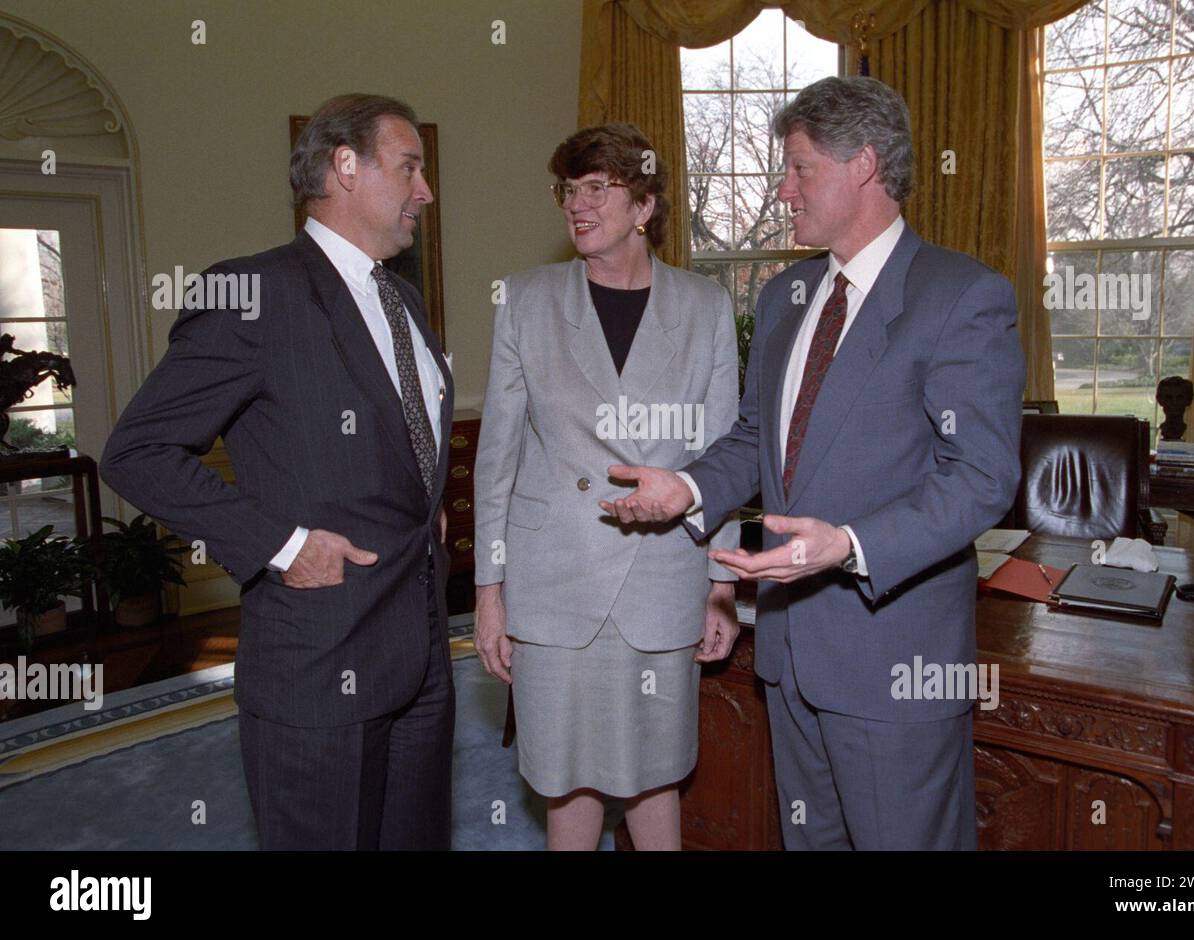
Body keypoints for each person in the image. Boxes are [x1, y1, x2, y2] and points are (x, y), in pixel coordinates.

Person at [601, 77, 1026, 850]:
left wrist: (851, 545)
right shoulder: (786, 297)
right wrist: (687, 487)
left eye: (797, 169)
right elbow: (756, 438)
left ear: (863, 164)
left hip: (894, 664)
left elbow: (981, 477)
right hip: (791, 659)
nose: (781, 189)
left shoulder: (962, 295)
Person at [100, 94, 456, 850]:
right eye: (410, 166)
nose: (425, 191)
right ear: (345, 168)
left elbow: (400, 454)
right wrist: (286, 547)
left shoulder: (405, 302)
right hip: (320, 662)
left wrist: (428, 512)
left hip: (422, 658)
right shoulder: (253, 294)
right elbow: (138, 451)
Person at [473, 123, 741, 851]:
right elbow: (495, 457)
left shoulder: (705, 307)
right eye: (570, 189)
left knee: (657, 774)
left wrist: (721, 584)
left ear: (645, 205)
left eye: (599, 188)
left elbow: (722, 457)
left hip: (662, 575)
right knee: (568, 780)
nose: (578, 205)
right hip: (552, 581)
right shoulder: (525, 299)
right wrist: (489, 592)